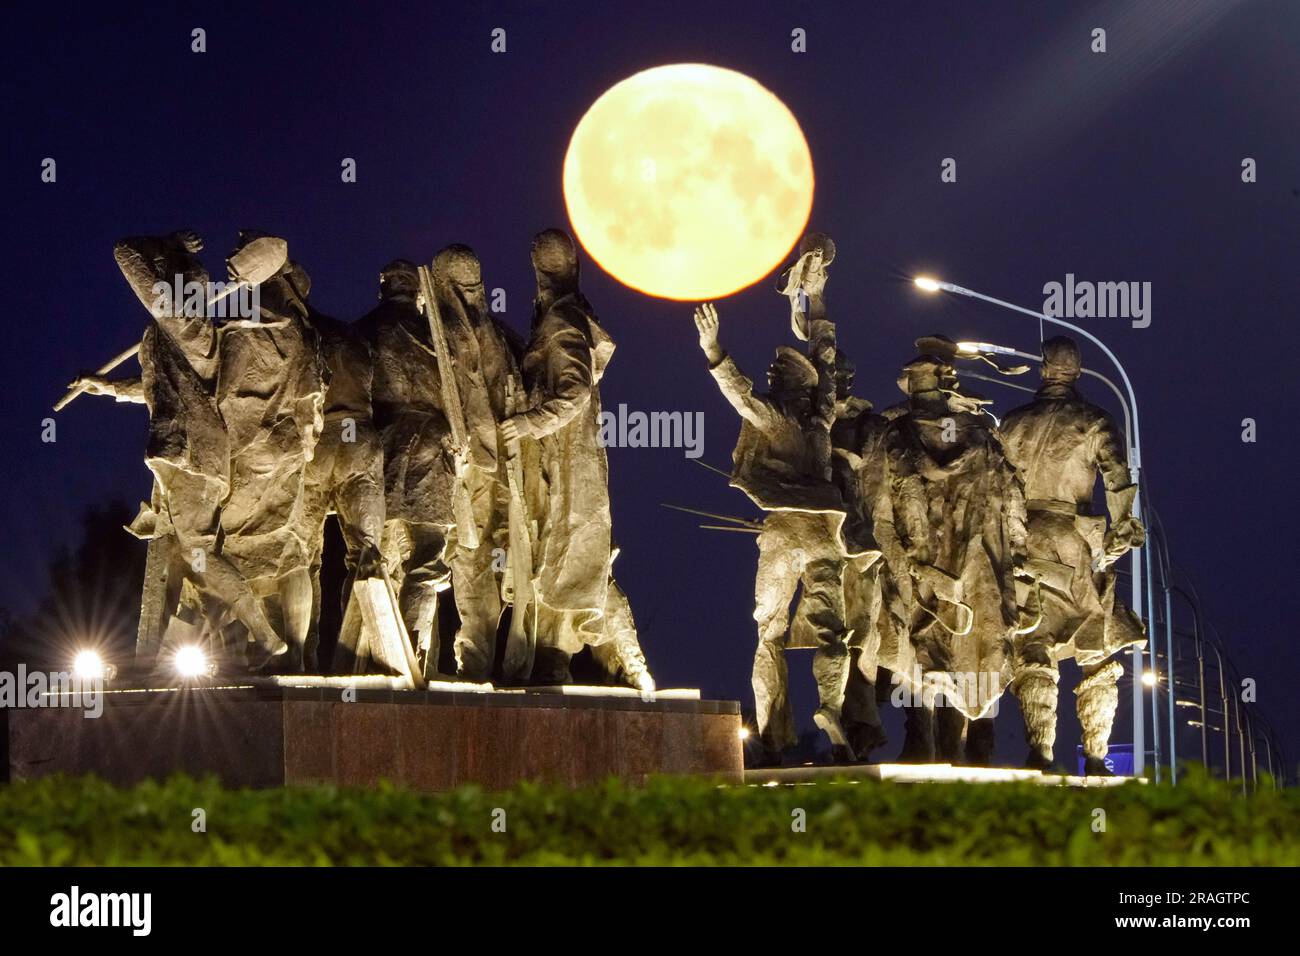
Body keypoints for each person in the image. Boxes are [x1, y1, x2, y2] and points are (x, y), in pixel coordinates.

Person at [72, 230, 287, 666]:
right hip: (186, 456)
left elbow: (124, 252)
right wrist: (108, 387)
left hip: (191, 455)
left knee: (198, 552)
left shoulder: (185, 321)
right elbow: (160, 391)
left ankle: (264, 634)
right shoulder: (183, 332)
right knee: (186, 552)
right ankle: (166, 652)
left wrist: (169, 243)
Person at [693, 300, 855, 763]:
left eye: (776, 376)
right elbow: (825, 359)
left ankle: (771, 733)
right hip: (825, 531)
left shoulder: (779, 417)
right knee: (832, 633)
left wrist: (714, 350)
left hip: (784, 531)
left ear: (787, 385)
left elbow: (743, 397)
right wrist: (819, 303)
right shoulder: (822, 418)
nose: (770, 379)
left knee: (770, 632)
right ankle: (831, 708)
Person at [500, 229, 653, 690]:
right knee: (557, 551)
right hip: (560, 455)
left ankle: (597, 660)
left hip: (567, 456)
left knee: (568, 552)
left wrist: (530, 423)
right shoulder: (560, 316)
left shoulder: (561, 320)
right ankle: (556, 658)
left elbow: (575, 392)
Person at [999, 335, 1146, 773]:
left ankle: (1040, 751)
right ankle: (1097, 756)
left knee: (1033, 641)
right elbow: (1118, 477)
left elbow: (996, 484)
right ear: (1077, 371)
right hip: (1073, 539)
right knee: (1097, 648)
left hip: (1022, 538)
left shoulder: (1011, 422)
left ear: (1044, 369)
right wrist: (1123, 527)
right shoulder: (1095, 420)